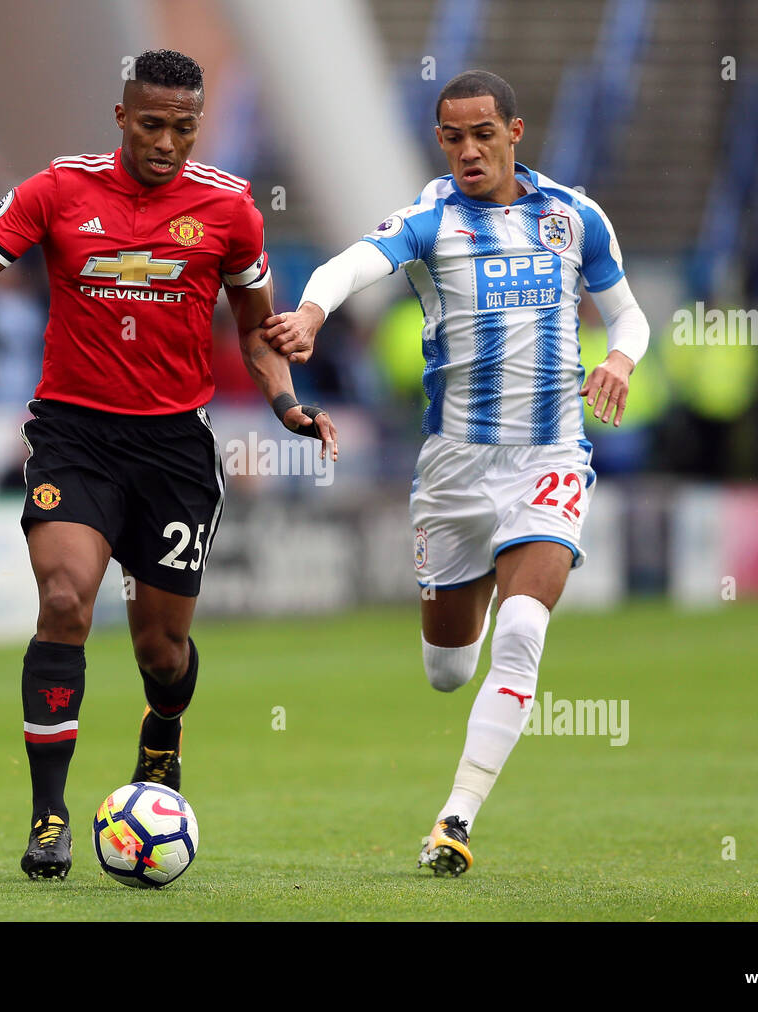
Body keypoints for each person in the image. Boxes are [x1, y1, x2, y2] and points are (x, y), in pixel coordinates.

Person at [0, 50, 337, 880]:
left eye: (184, 127)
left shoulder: (232, 209)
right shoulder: (58, 190)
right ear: (123, 116)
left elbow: (254, 330)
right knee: (64, 600)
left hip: (173, 448)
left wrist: (286, 406)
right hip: (76, 436)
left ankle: (161, 736)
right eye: (154, 123)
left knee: (163, 653)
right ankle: (49, 817)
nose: (168, 142)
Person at [263, 70, 647, 876]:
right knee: (447, 670)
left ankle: (455, 819)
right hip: (453, 473)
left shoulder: (573, 217)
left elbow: (629, 311)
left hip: (549, 458)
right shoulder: (430, 221)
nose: (468, 149)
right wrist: (309, 310)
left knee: (523, 630)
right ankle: (459, 611)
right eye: (452, 136)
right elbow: (351, 263)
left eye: (482, 133)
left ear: (515, 131)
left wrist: (619, 355)